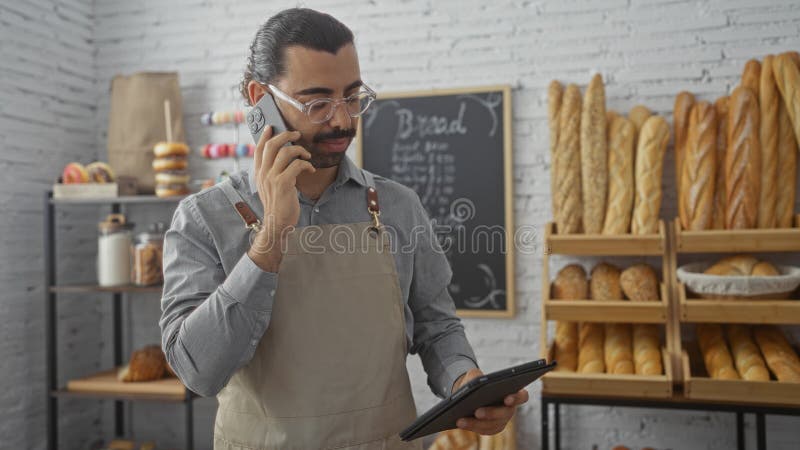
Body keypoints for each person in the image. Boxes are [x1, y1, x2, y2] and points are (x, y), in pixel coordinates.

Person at [159, 8, 527, 449]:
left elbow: (436, 325)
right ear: (262, 99)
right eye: (316, 103)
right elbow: (198, 370)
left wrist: (465, 383)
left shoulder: (397, 206)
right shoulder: (203, 217)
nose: (341, 120)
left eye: (352, 97)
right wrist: (272, 234)